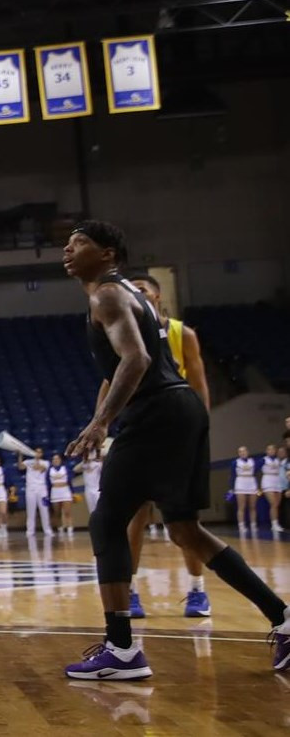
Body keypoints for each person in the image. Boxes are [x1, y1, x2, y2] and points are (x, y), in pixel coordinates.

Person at [60, 220, 290, 680]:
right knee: (186, 530)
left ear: (108, 254)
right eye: (66, 243)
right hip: (179, 409)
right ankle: (284, 619)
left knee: (107, 520)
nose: (67, 249)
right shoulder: (131, 294)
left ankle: (122, 649)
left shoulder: (106, 294)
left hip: (156, 412)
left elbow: (136, 359)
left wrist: (101, 420)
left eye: (79, 242)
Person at [122, 273, 211, 619]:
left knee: (185, 522)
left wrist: (200, 432)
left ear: (157, 297)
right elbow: (108, 381)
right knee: (136, 518)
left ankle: (197, 591)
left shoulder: (182, 334)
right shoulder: (124, 331)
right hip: (142, 429)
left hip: (177, 431)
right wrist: (100, 423)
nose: (135, 295)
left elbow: (200, 385)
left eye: (141, 289)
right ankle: (130, 592)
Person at [18, 448, 52, 538]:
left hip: (42, 489)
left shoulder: (46, 462)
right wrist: (20, 455)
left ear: (41, 454)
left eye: (39, 452)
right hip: (30, 489)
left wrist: (35, 463)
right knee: (30, 510)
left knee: (44, 510)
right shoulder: (28, 461)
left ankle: (47, 530)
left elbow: (40, 468)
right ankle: (30, 531)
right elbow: (20, 467)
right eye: (36, 452)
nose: (37, 453)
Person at [233, 446, 260, 536]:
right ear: (238, 453)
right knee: (242, 507)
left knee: (252, 506)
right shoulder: (235, 462)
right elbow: (232, 475)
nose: (242, 453)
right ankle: (241, 526)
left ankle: (253, 525)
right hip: (240, 483)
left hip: (251, 483)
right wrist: (231, 488)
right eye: (240, 451)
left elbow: (256, 471)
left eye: (244, 451)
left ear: (247, 452)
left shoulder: (253, 461)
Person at [48, 453, 75, 535]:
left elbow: (70, 479)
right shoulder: (49, 470)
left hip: (65, 490)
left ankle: (70, 530)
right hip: (55, 491)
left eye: (57, 459)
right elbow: (47, 482)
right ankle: (60, 530)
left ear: (60, 460)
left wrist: (72, 492)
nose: (55, 460)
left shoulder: (65, 468)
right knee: (57, 513)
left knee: (67, 512)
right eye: (54, 459)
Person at [263, 444, 285, 536]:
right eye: (269, 449)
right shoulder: (263, 460)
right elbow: (254, 469)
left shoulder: (278, 460)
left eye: (273, 449)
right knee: (273, 503)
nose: (271, 451)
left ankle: (277, 523)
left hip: (277, 481)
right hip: (267, 481)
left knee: (277, 504)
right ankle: (274, 524)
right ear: (266, 451)